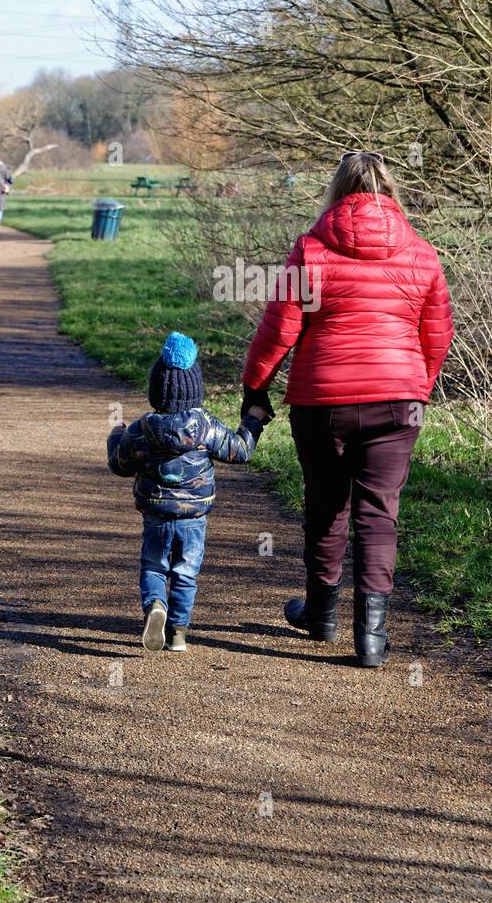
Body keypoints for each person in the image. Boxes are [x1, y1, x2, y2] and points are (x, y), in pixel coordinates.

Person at [241, 151, 454, 668]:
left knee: (325, 505)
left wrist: (255, 387)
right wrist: (415, 390)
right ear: (392, 189)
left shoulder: (312, 250)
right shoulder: (423, 255)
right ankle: (372, 640)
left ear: (337, 191)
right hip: (397, 402)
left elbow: (279, 329)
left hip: (321, 402)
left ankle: (321, 616)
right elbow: (438, 336)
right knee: (379, 515)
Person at [107, 332, 268, 653]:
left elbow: (119, 465)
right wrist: (252, 421)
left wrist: (116, 435)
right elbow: (239, 450)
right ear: (195, 390)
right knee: (186, 572)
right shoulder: (206, 426)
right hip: (194, 517)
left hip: (155, 513)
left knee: (154, 566)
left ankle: (155, 606)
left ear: (156, 390)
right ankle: (177, 633)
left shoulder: (142, 428)